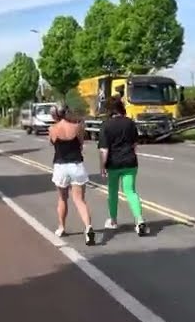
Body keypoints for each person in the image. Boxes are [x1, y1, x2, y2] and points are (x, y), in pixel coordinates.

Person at [97, 96, 148, 236]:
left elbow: (104, 150)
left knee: (113, 192)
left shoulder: (106, 125)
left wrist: (102, 166)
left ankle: (113, 220)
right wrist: (131, 155)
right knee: (131, 191)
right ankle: (139, 220)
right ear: (121, 108)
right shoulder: (130, 123)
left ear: (109, 110)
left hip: (113, 164)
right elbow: (135, 144)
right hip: (130, 162)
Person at [47, 102, 96, 245]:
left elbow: (52, 143)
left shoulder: (53, 129)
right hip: (76, 165)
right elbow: (80, 144)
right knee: (79, 200)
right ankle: (88, 228)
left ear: (55, 114)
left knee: (62, 199)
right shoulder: (77, 127)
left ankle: (61, 227)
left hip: (61, 166)